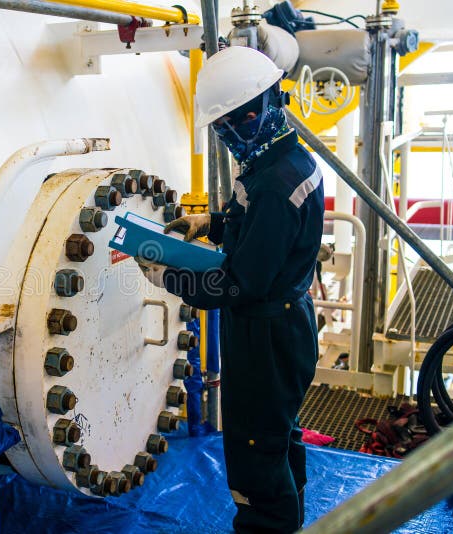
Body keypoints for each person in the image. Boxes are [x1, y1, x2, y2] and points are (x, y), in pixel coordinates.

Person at [137, 46, 324, 532]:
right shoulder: (282, 160)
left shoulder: (273, 183)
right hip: (286, 323)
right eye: (221, 128)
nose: (228, 137)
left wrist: (166, 275)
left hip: (266, 335)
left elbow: (240, 282)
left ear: (264, 107)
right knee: (279, 434)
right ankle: (291, 518)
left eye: (233, 124)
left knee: (255, 448)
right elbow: (259, 236)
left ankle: (269, 525)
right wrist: (214, 223)